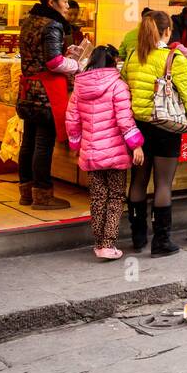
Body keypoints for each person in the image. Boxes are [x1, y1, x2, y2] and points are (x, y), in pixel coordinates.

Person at [123, 11, 187, 256]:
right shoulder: (174, 58)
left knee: (138, 181)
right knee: (163, 184)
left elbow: (123, 86)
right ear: (167, 31)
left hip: (138, 127)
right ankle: (161, 242)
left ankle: (138, 238)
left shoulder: (132, 55)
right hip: (167, 127)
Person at [66, 45, 144, 260]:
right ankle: (108, 245)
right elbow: (125, 120)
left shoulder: (79, 87)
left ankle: (99, 243)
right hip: (116, 152)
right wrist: (136, 144)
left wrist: (76, 145)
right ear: (113, 62)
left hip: (91, 151)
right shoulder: (118, 86)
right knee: (116, 196)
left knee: (98, 197)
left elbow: (72, 121)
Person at [15, 0, 82, 210]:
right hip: (46, 93)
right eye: (64, 1)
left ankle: (26, 192)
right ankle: (43, 196)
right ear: (52, 3)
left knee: (28, 142)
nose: (67, 6)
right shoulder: (52, 25)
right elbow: (54, 63)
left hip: (28, 89)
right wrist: (76, 63)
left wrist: (66, 55)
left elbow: (41, 56)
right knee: (43, 144)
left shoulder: (28, 21)